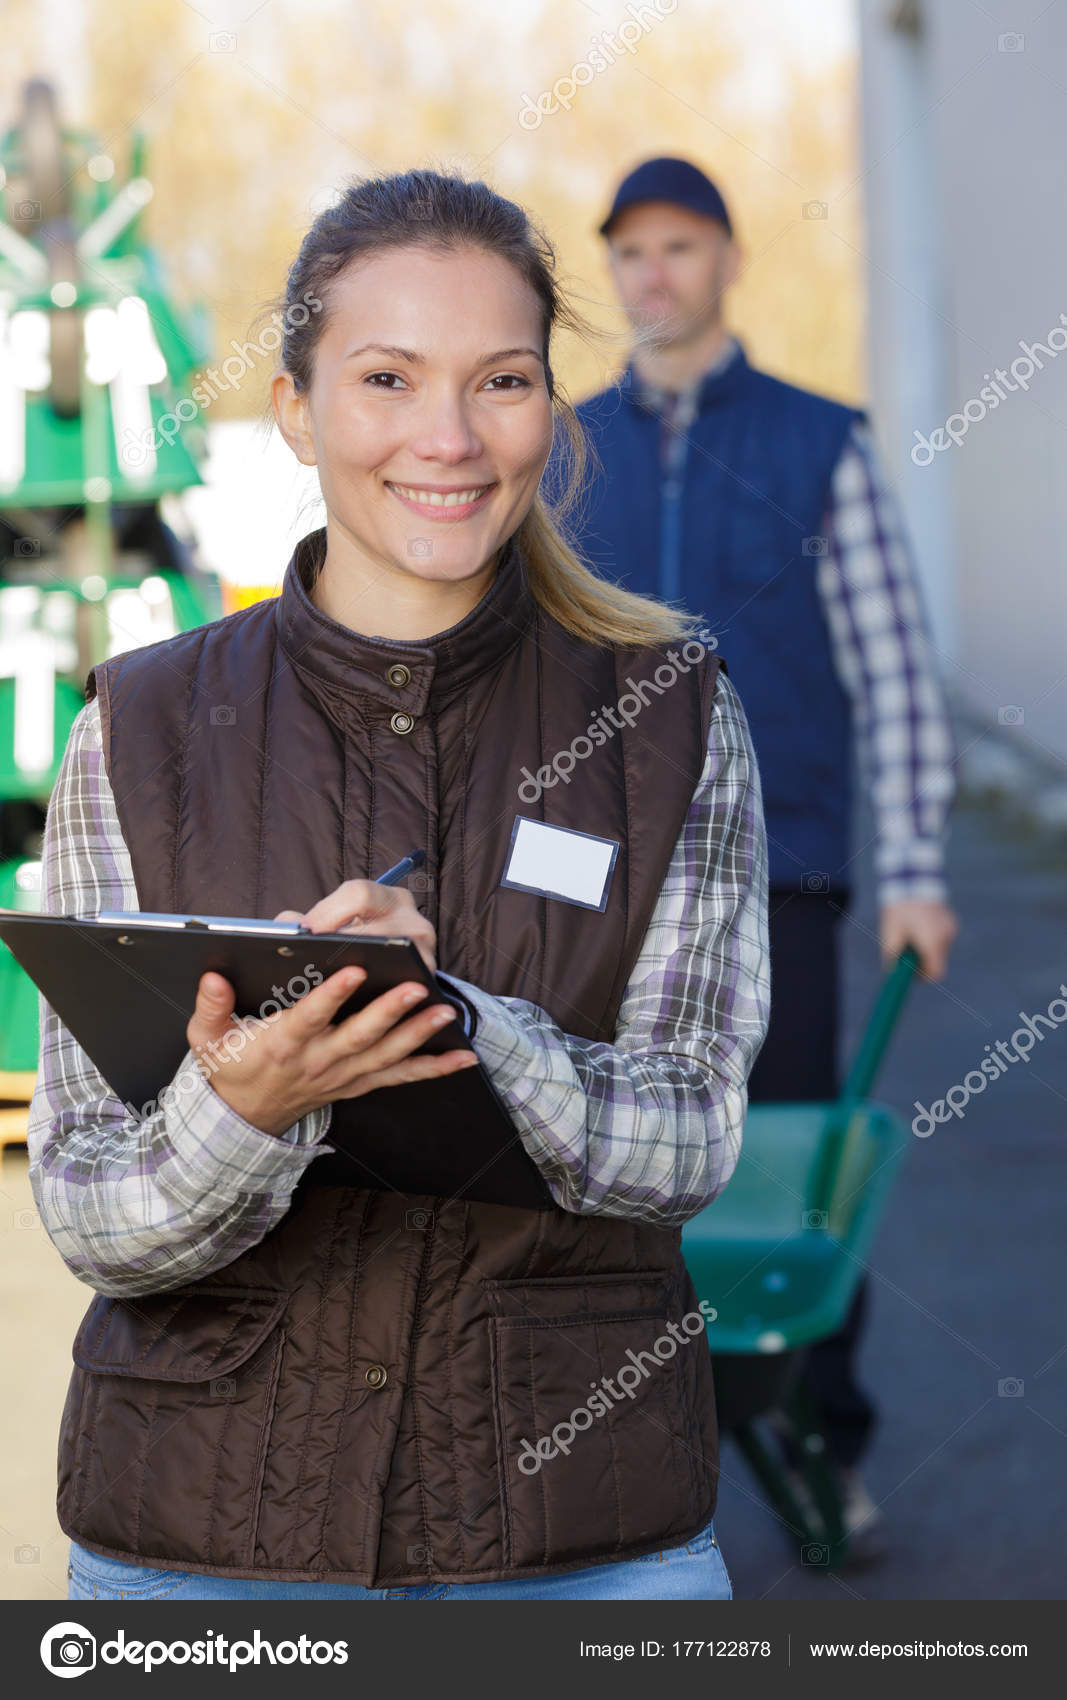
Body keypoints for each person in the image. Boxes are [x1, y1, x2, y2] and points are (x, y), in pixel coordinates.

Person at [28, 167, 770, 1603]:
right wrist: (246, 1110)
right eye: (386, 377)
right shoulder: (141, 725)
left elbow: (691, 1143)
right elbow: (84, 1207)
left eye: (501, 380)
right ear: (296, 408)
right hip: (205, 1546)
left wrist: (463, 1025)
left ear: (551, 411)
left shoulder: (671, 718)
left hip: (575, 1542)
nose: (448, 437)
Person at [544, 156, 958, 1562]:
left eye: (681, 247)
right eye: (633, 252)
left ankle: (822, 1444)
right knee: (608, 1169)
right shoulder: (568, 449)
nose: (655, 273)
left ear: (725, 261)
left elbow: (894, 673)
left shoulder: (815, 443)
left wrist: (912, 867)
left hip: (787, 879)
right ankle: (632, 1461)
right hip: (605, 888)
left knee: (792, 1180)